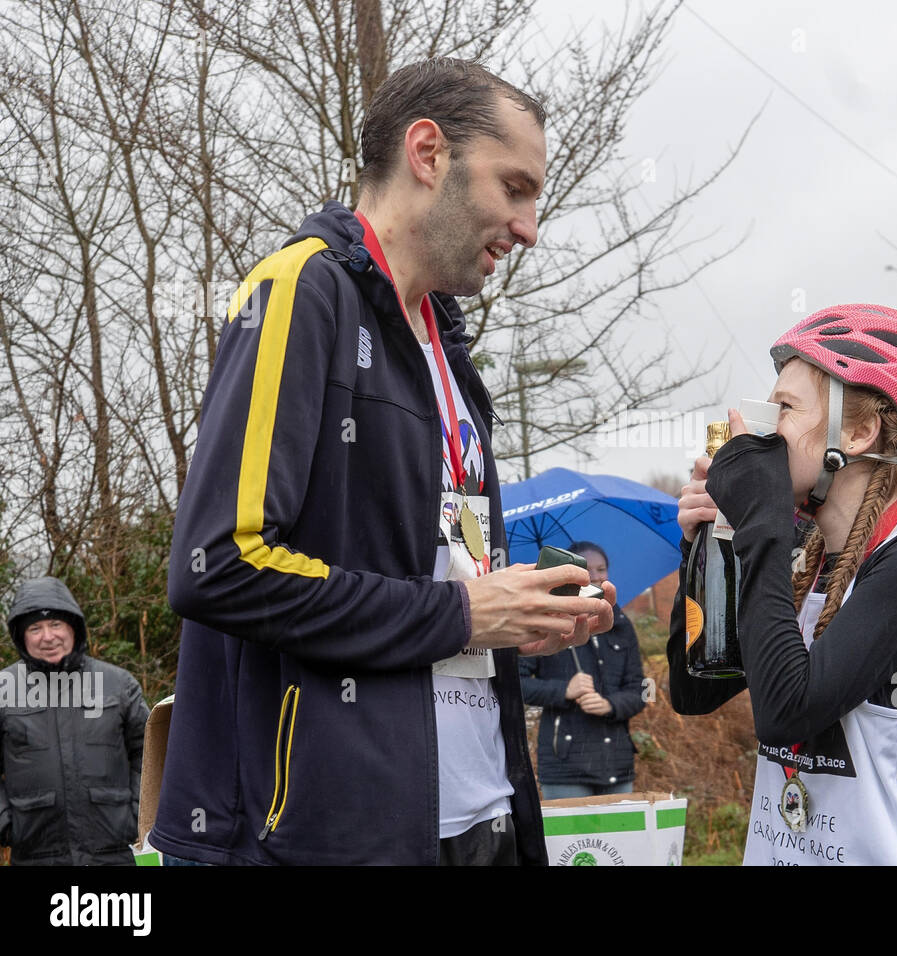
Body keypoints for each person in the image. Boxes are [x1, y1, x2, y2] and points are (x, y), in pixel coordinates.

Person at [149, 57, 614, 866]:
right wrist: (464, 615)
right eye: (515, 188)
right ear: (428, 154)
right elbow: (216, 566)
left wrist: (515, 619)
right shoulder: (297, 290)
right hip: (339, 830)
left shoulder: (449, 347)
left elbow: (433, 580)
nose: (531, 227)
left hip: (483, 811)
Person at [667, 303, 897, 866]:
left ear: (860, 432)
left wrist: (763, 521)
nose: (761, 429)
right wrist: (709, 546)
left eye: (785, 409)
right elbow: (694, 690)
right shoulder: (795, 555)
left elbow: (788, 710)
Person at [0, 577, 149, 865]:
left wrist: (136, 814)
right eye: (35, 628)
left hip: (113, 853)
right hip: (34, 855)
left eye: (56, 624)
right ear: (21, 636)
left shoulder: (118, 685)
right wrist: (6, 821)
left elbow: (150, 753)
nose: (48, 636)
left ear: (74, 627)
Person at [519, 541, 647, 799]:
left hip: (617, 767)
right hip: (565, 769)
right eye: (589, 570)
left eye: (602, 569)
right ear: (573, 575)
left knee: (619, 840)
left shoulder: (621, 626)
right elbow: (517, 683)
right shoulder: (548, 621)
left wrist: (611, 705)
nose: (598, 577)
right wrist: (564, 690)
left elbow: (642, 689)